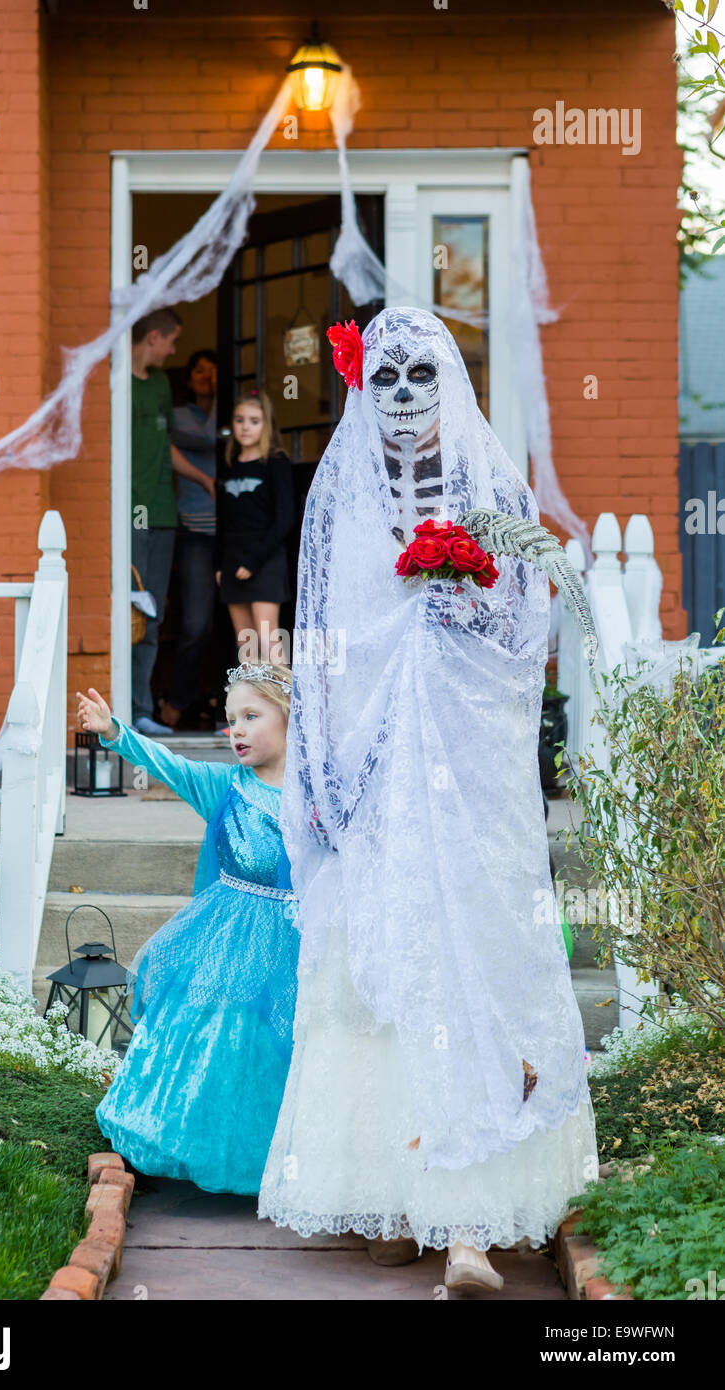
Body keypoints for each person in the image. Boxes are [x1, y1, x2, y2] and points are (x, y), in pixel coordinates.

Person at [258, 307, 598, 1290]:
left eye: (421, 374)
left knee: (462, 963)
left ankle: (466, 1223)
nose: (403, 393)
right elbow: (320, 642)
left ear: (450, 382)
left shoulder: (490, 488)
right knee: (378, 971)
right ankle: (395, 1192)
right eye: (387, 375)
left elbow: (526, 622)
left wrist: (463, 608)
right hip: (373, 779)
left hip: (465, 776)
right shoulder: (342, 502)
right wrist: (316, 766)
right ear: (365, 386)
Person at [76, 661, 299, 1194]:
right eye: (230, 720)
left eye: (251, 716)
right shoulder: (225, 786)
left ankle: (272, 1159)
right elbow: (169, 763)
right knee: (209, 1031)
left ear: (292, 719)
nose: (236, 730)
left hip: (296, 937)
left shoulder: (315, 797)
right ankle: (176, 1141)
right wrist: (113, 732)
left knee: (274, 1044)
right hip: (223, 934)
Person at [130, 309, 215, 737]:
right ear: (154, 338)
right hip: (127, 515)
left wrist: (202, 478)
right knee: (128, 608)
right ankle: (122, 707)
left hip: (163, 514)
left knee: (153, 613)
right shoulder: (116, 381)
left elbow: (163, 446)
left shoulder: (161, 384)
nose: (174, 350)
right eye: (172, 341)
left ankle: (141, 709)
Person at [158, 349, 219, 731]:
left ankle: (225, 705)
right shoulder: (179, 417)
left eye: (213, 371)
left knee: (230, 627)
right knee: (196, 623)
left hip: (236, 536)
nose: (206, 376)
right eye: (199, 369)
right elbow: (204, 436)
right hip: (195, 531)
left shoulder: (232, 415)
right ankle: (177, 701)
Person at [215, 388, 295, 666]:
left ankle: (286, 709)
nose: (245, 427)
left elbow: (285, 519)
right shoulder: (229, 465)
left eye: (254, 420)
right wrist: (220, 565)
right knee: (246, 645)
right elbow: (224, 523)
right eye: (239, 420)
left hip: (265, 559)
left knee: (267, 638)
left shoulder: (276, 462)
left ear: (266, 425)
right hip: (233, 561)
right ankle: (255, 709)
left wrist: (253, 561)